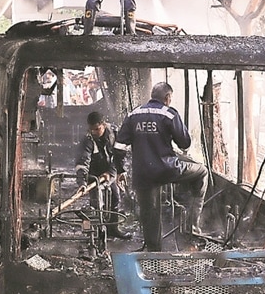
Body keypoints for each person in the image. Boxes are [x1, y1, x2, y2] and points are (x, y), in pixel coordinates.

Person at [114, 82, 207, 251]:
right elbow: (185, 142)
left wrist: (120, 170)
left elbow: (118, 147)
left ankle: (153, 253)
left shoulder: (133, 114)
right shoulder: (169, 114)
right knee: (202, 171)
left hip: (143, 174)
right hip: (168, 170)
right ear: (167, 98)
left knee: (150, 216)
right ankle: (192, 228)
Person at [75, 111, 130, 239]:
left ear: (103, 125)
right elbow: (82, 162)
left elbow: (120, 156)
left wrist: (111, 173)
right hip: (93, 174)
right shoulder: (87, 139)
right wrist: (82, 182)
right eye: (91, 129)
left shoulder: (114, 134)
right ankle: (96, 232)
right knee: (97, 203)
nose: (94, 132)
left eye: (97, 129)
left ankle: (113, 228)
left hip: (110, 170)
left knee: (115, 197)